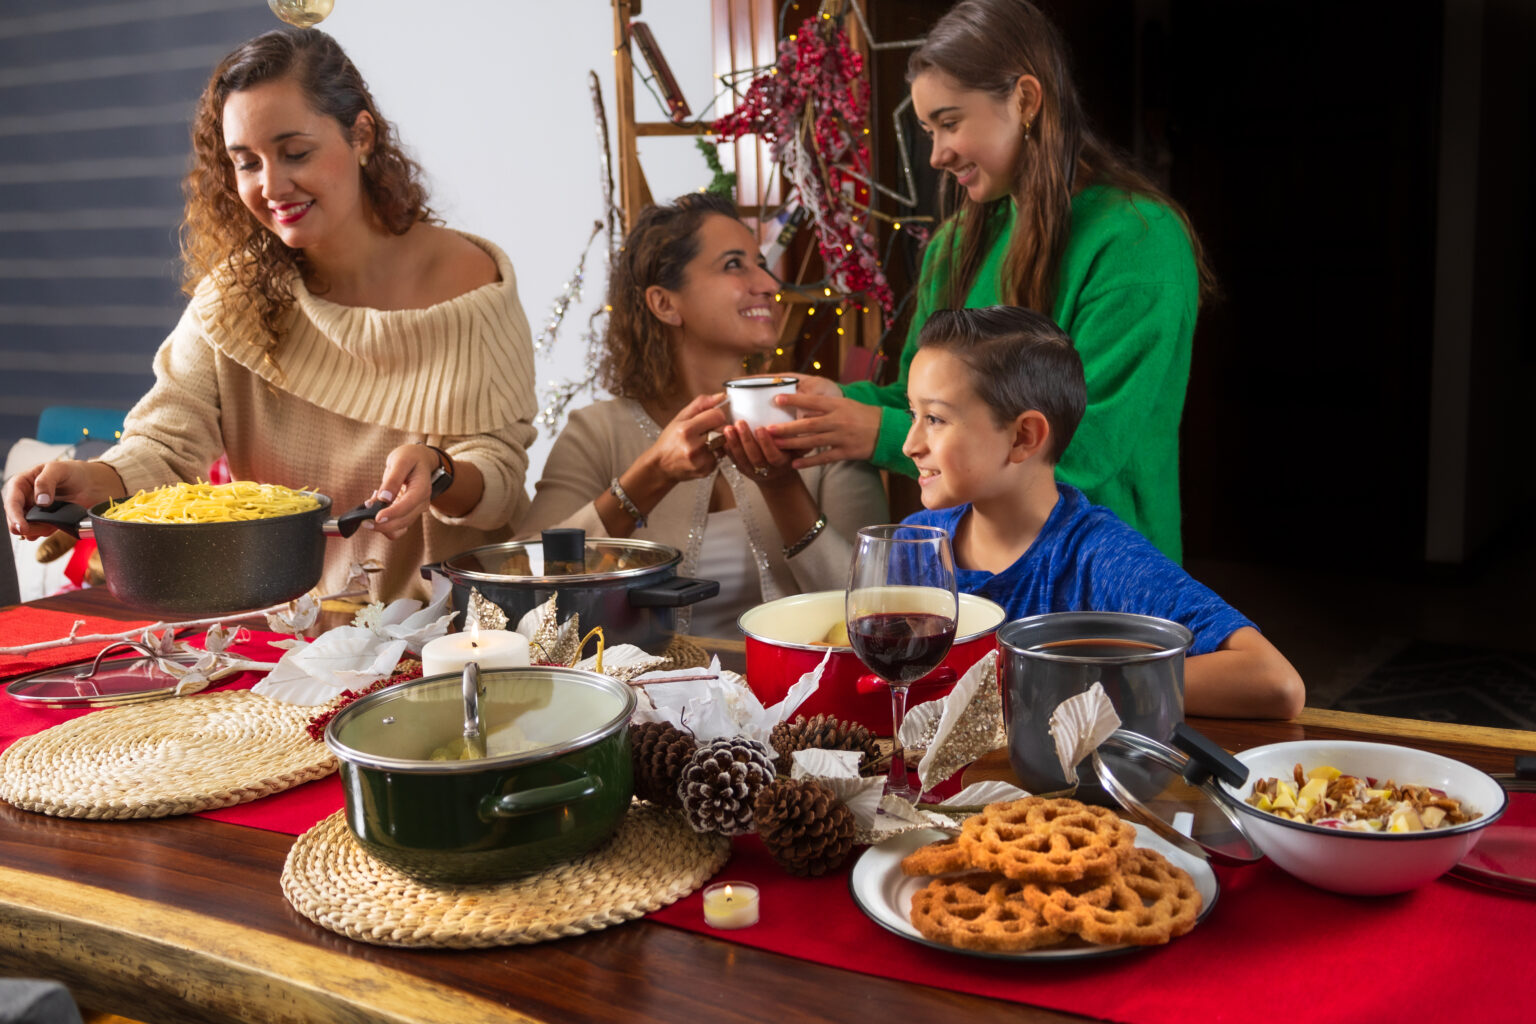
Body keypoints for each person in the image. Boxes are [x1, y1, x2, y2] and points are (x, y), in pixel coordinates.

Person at [1, 28, 537, 601]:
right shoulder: (234, 298)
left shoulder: (471, 285)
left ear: (361, 134)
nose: (272, 186)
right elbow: (166, 444)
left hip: (458, 634)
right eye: (247, 162)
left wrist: (438, 469)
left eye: (295, 152)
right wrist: (94, 480)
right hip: (291, 632)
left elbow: (499, 482)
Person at [769, 0, 1212, 563]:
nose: (935, 155)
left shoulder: (1139, 239)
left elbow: (1084, 448)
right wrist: (831, 406)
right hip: (977, 570)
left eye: (950, 123)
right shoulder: (954, 244)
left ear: (1025, 100)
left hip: (1099, 576)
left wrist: (875, 432)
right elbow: (921, 399)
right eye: (928, 130)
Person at [903, 307, 1303, 719]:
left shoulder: (1101, 557)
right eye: (912, 414)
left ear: (1024, 436)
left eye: (935, 418)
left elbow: (1275, 683)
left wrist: (1066, 684)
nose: (910, 444)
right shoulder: (912, 544)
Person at [520, 193, 888, 637]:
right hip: (640, 704)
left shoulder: (821, 419)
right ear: (664, 304)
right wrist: (651, 474)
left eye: (760, 262)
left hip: (803, 703)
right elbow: (527, 590)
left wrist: (782, 486)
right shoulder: (596, 433)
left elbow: (873, 614)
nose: (769, 284)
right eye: (735, 264)